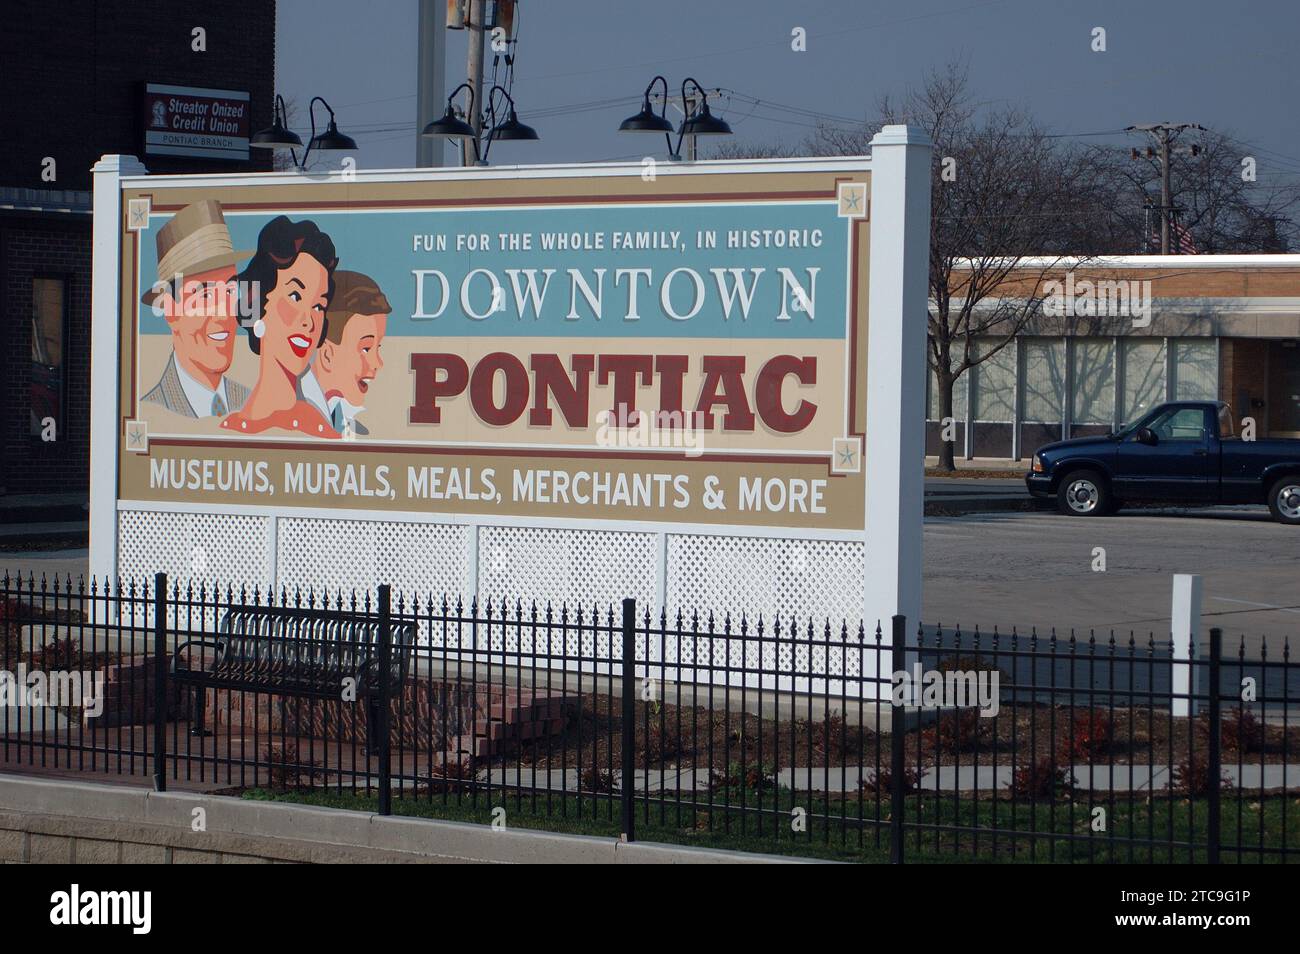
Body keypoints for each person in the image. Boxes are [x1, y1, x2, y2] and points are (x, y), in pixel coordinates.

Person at [220, 216, 340, 437]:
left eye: (318, 306)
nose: (309, 320)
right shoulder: (223, 424)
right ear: (257, 301)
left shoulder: (320, 430)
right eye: (295, 296)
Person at [140, 200, 251, 417]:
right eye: (206, 295)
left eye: (229, 292)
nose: (223, 314)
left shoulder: (248, 402)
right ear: (171, 311)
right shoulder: (154, 408)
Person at [297, 271, 390, 436]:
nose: (378, 363)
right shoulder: (283, 410)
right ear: (327, 355)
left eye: (378, 347)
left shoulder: (353, 429)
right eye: (366, 349)